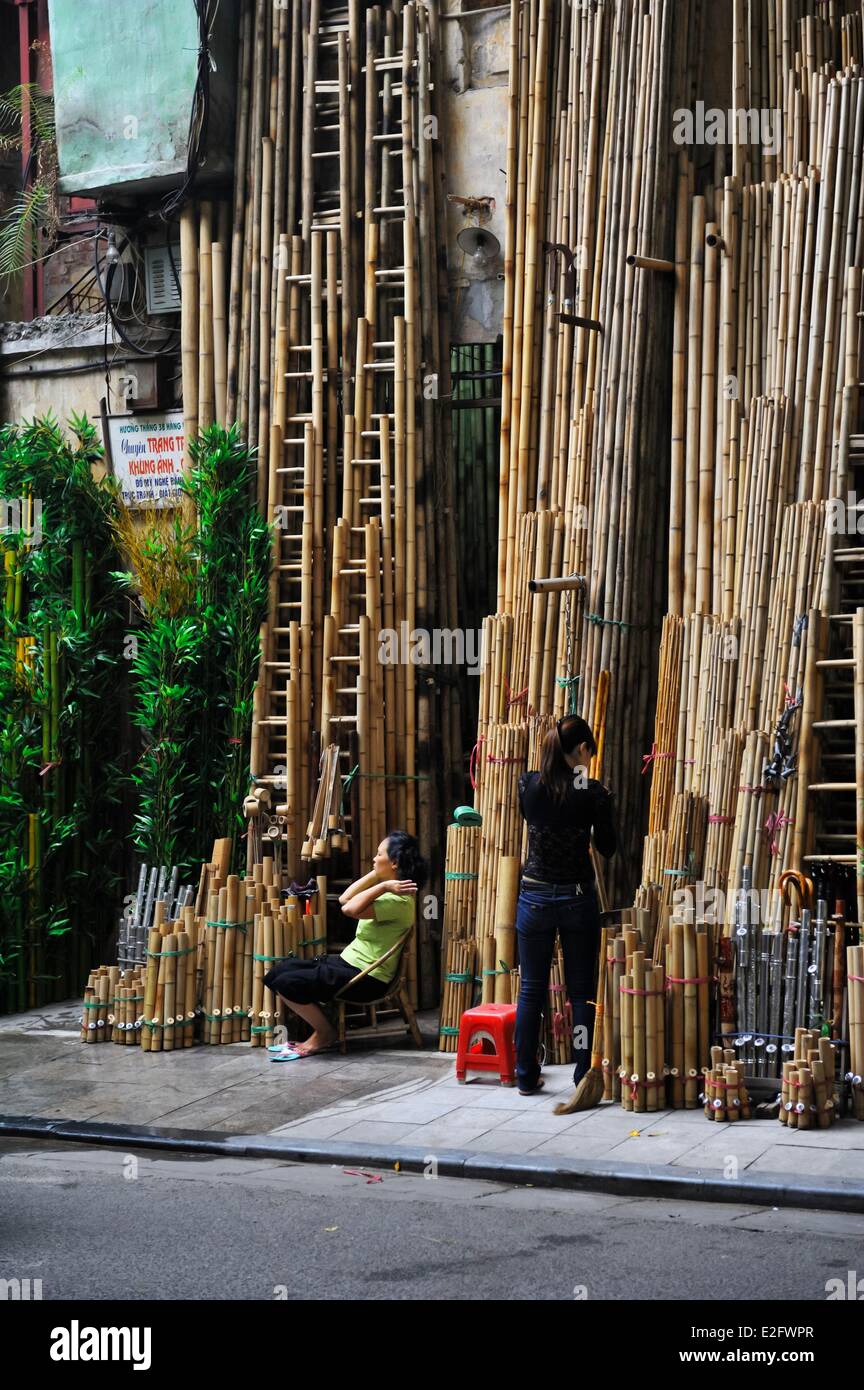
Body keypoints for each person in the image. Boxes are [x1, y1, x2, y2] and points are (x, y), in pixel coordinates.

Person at [514, 714, 617, 1096]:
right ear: (581, 749)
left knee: (531, 991)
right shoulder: (591, 793)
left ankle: (526, 1075)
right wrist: (602, 803)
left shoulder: (527, 783)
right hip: (576, 899)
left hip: (535, 896)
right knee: (580, 992)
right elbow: (607, 848)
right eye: (590, 751)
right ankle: (580, 1074)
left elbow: (541, 807)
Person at [263, 831, 425, 1057]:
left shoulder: (397, 900)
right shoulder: (392, 893)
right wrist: (380, 877)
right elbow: (344, 899)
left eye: (379, 855)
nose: (374, 859)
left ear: (394, 862)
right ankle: (324, 1026)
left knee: (287, 982)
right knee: (277, 973)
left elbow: (348, 909)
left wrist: (383, 885)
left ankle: (325, 1032)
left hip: (367, 978)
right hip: (349, 965)